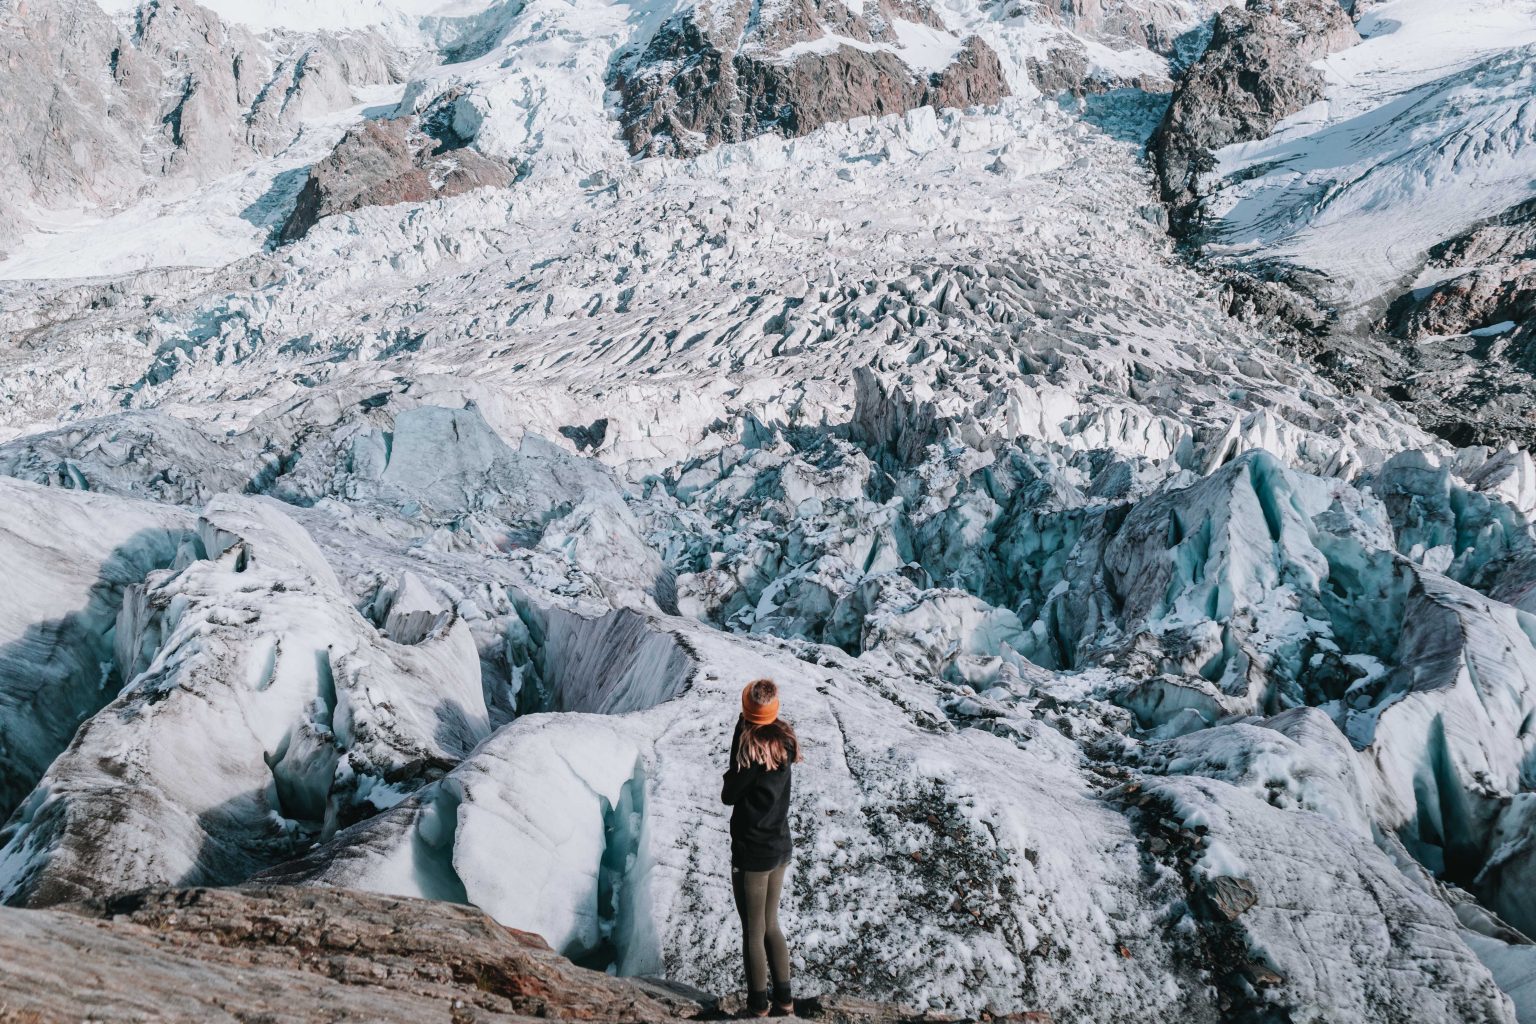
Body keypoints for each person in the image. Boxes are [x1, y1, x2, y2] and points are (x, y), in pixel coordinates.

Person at [721, 678, 801, 1017]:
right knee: (771, 925)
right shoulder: (784, 741)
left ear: (747, 711)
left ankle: (758, 1007)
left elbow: (728, 794)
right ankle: (784, 1000)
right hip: (779, 846)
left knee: (753, 932)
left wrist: (739, 739)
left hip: (752, 853)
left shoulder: (751, 755)